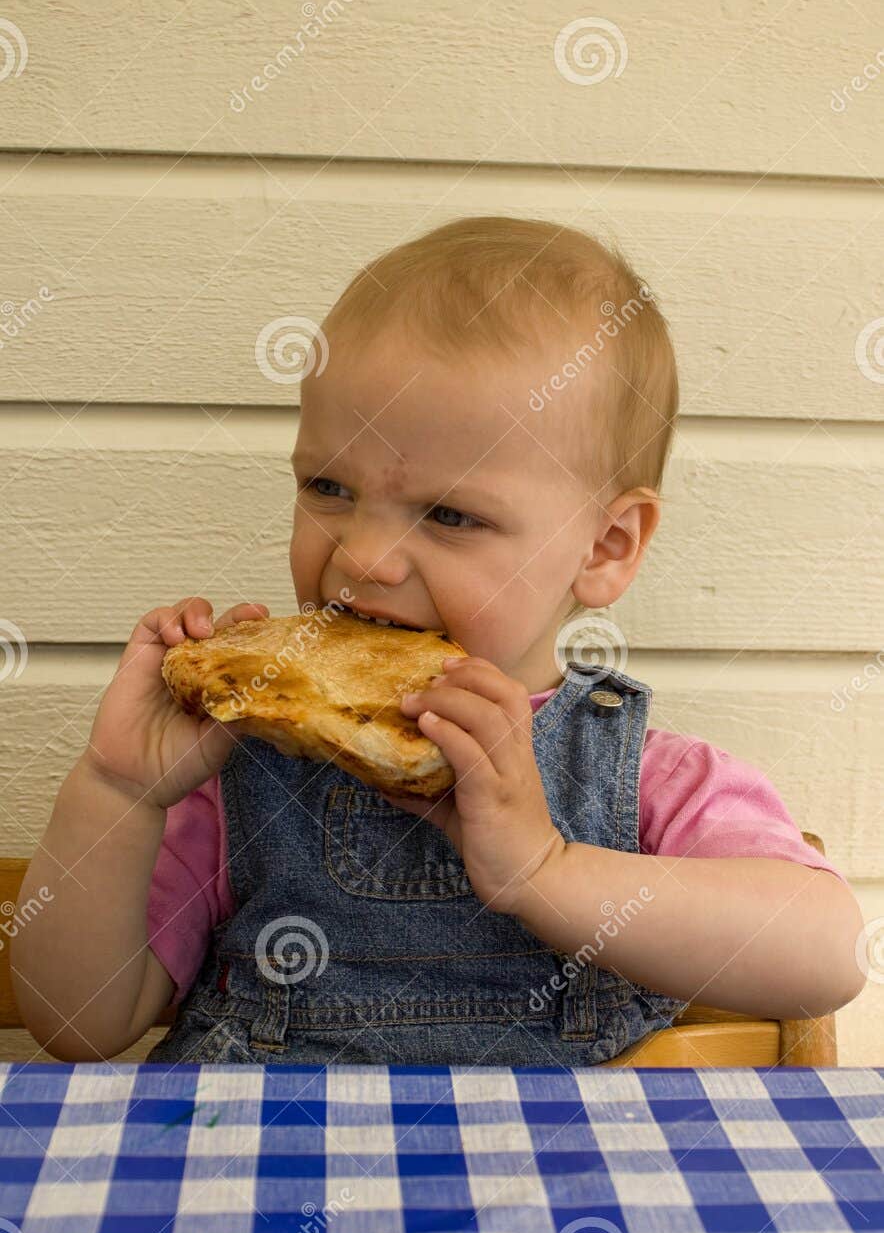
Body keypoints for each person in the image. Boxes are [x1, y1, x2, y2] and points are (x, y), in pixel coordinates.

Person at [12, 216, 865, 1065]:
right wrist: (119, 790)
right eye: (328, 487)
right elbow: (77, 1022)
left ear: (604, 548)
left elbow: (825, 955)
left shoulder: (642, 778)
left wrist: (546, 869)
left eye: (451, 514)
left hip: (546, 1191)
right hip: (260, 1175)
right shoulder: (232, 762)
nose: (363, 557)